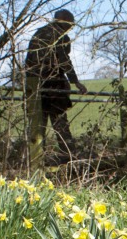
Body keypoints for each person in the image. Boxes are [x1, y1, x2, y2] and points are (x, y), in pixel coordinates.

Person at [26, 10, 88, 152]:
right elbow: (63, 60)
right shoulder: (59, 36)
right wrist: (75, 81)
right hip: (53, 84)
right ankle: (68, 154)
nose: (70, 29)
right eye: (70, 25)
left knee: (37, 124)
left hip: (34, 84)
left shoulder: (38, 34)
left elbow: (29, 62)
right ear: (64, 20)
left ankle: (36, 157)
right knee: (60, 123)